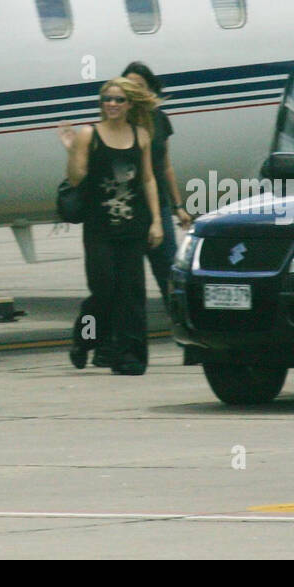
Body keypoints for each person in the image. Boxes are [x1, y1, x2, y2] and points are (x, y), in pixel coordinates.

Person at [58, 78, 163, 375]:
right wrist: (72, 150)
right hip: (99, 228)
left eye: (118, 100)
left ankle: (129, 356)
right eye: (107, 99)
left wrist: (156, 221)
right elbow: (77, 179)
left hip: (133, 227)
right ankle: (85, 338)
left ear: (129, 104)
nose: (111, 105)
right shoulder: (89, 135)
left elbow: (147, 179)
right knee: (103, 292)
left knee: (131, 293)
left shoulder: (140, 135)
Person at [120, 62, 191, 303]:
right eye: (128, 86)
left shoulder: (160, 119)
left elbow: (166, 165)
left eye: (139, 86)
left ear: (149, 89)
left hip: (158, 206)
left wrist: (178, 206)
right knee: (128, 274)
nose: (134, 90)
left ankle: (179, 316)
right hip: (129, 208)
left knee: (168, 268)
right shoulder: (119, 122)